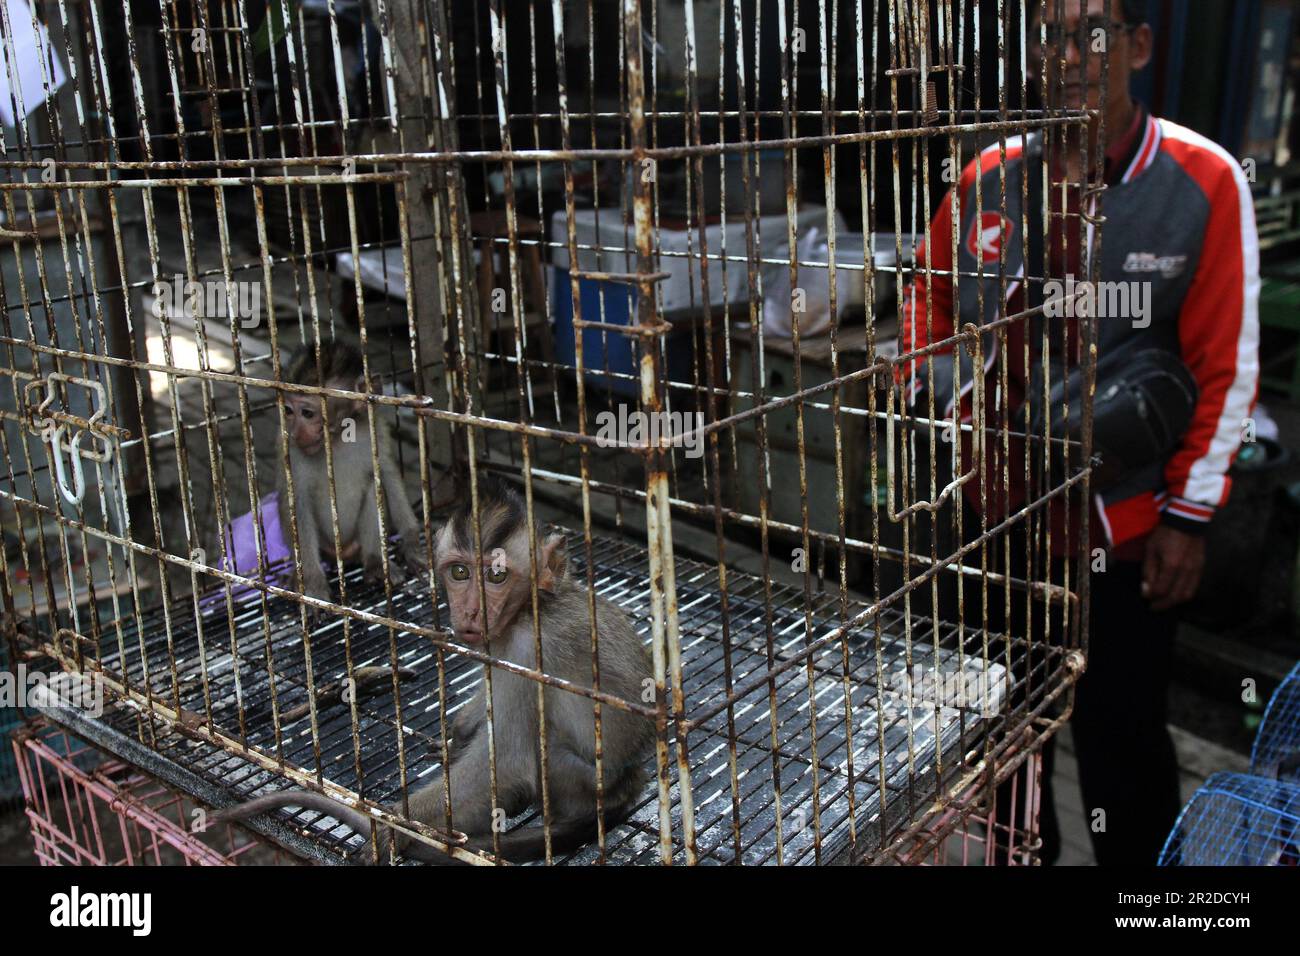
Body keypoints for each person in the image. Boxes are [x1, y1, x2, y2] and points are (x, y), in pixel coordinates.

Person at [900, 0, 1260, 865]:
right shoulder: (988, 175)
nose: (1068, 53)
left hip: (1125, 531)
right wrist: (951, 402)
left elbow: (1226, 365)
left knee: (1122, 748)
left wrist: (1189, 518)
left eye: (1092, 32)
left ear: (1136, 46)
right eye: (1050, 34)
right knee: (1003, 740)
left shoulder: (1202, 181)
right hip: (1000, 520)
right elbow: (929, 297)